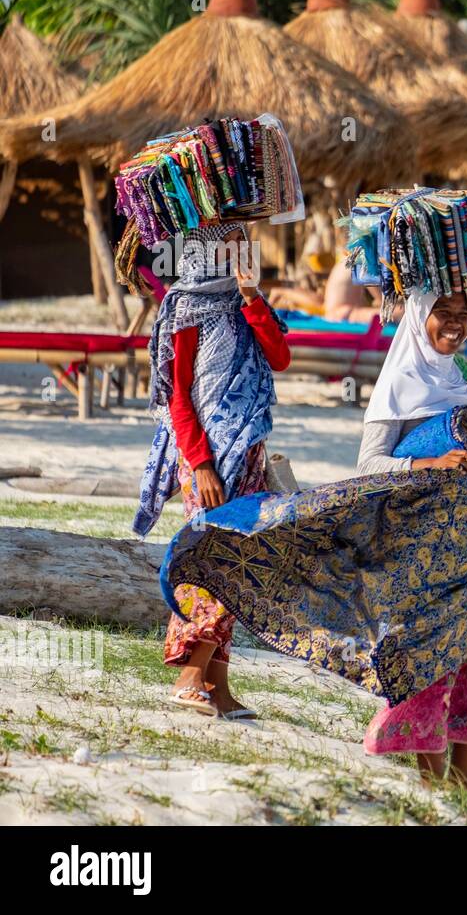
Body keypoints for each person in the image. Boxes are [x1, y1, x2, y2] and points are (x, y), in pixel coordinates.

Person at [355, 289, 467, 787]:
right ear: (416, 318)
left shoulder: (465, 382)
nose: (454, 324)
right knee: (435, 662)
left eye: (462, 314)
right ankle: (434, 781)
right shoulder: (398, 382)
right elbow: (368, 466)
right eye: (441, 314)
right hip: (420, 555)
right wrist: (424, 465)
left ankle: (462, 780)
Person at [133, 222, 291, 719]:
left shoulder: (247, 303)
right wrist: (201, 462)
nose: (241, 248)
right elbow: (177, 397)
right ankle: (188, 675)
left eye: (245, 239)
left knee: (239, 556)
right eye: (231, 240)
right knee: (220, 558)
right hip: (203, 457)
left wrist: (251, 298)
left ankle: (215, 684)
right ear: (203, 246)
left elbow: (280, 357)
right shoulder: (185, 306)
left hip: (245, 453)